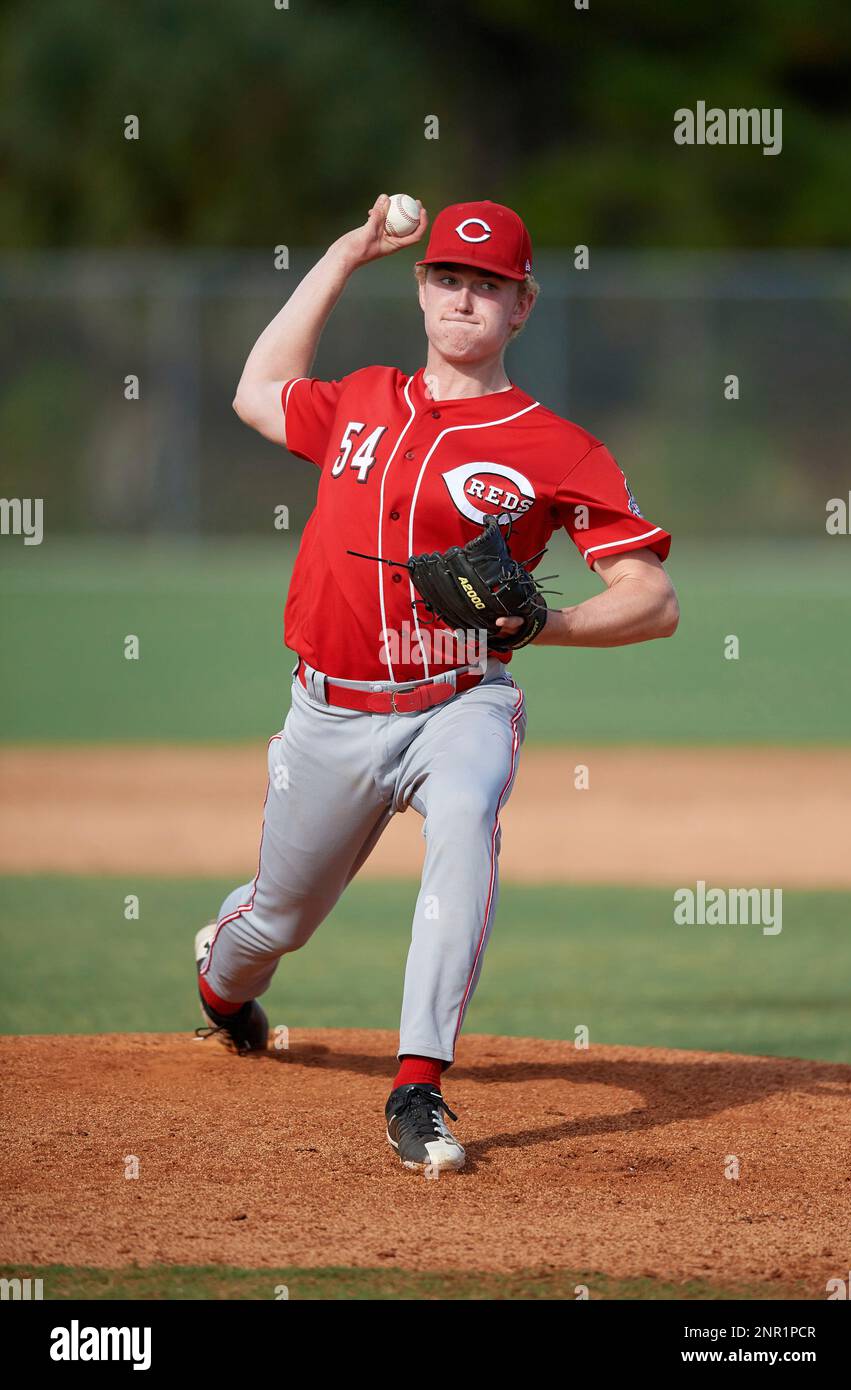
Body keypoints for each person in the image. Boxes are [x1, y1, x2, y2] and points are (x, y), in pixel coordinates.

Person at [195, 196, 679, 1173]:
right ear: (421, 291)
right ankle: (220, 990)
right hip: (329, 711)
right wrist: (345, 250)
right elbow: (256, 389)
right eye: (447, 278)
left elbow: (653, 597)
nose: (464, 298)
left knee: (464, 821)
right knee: (270, 926)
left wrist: (551, 624)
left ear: (521, 307)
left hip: (461, 697)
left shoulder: (555, 447)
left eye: (487, 285)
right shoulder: (360, 401)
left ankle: (416, 1087)